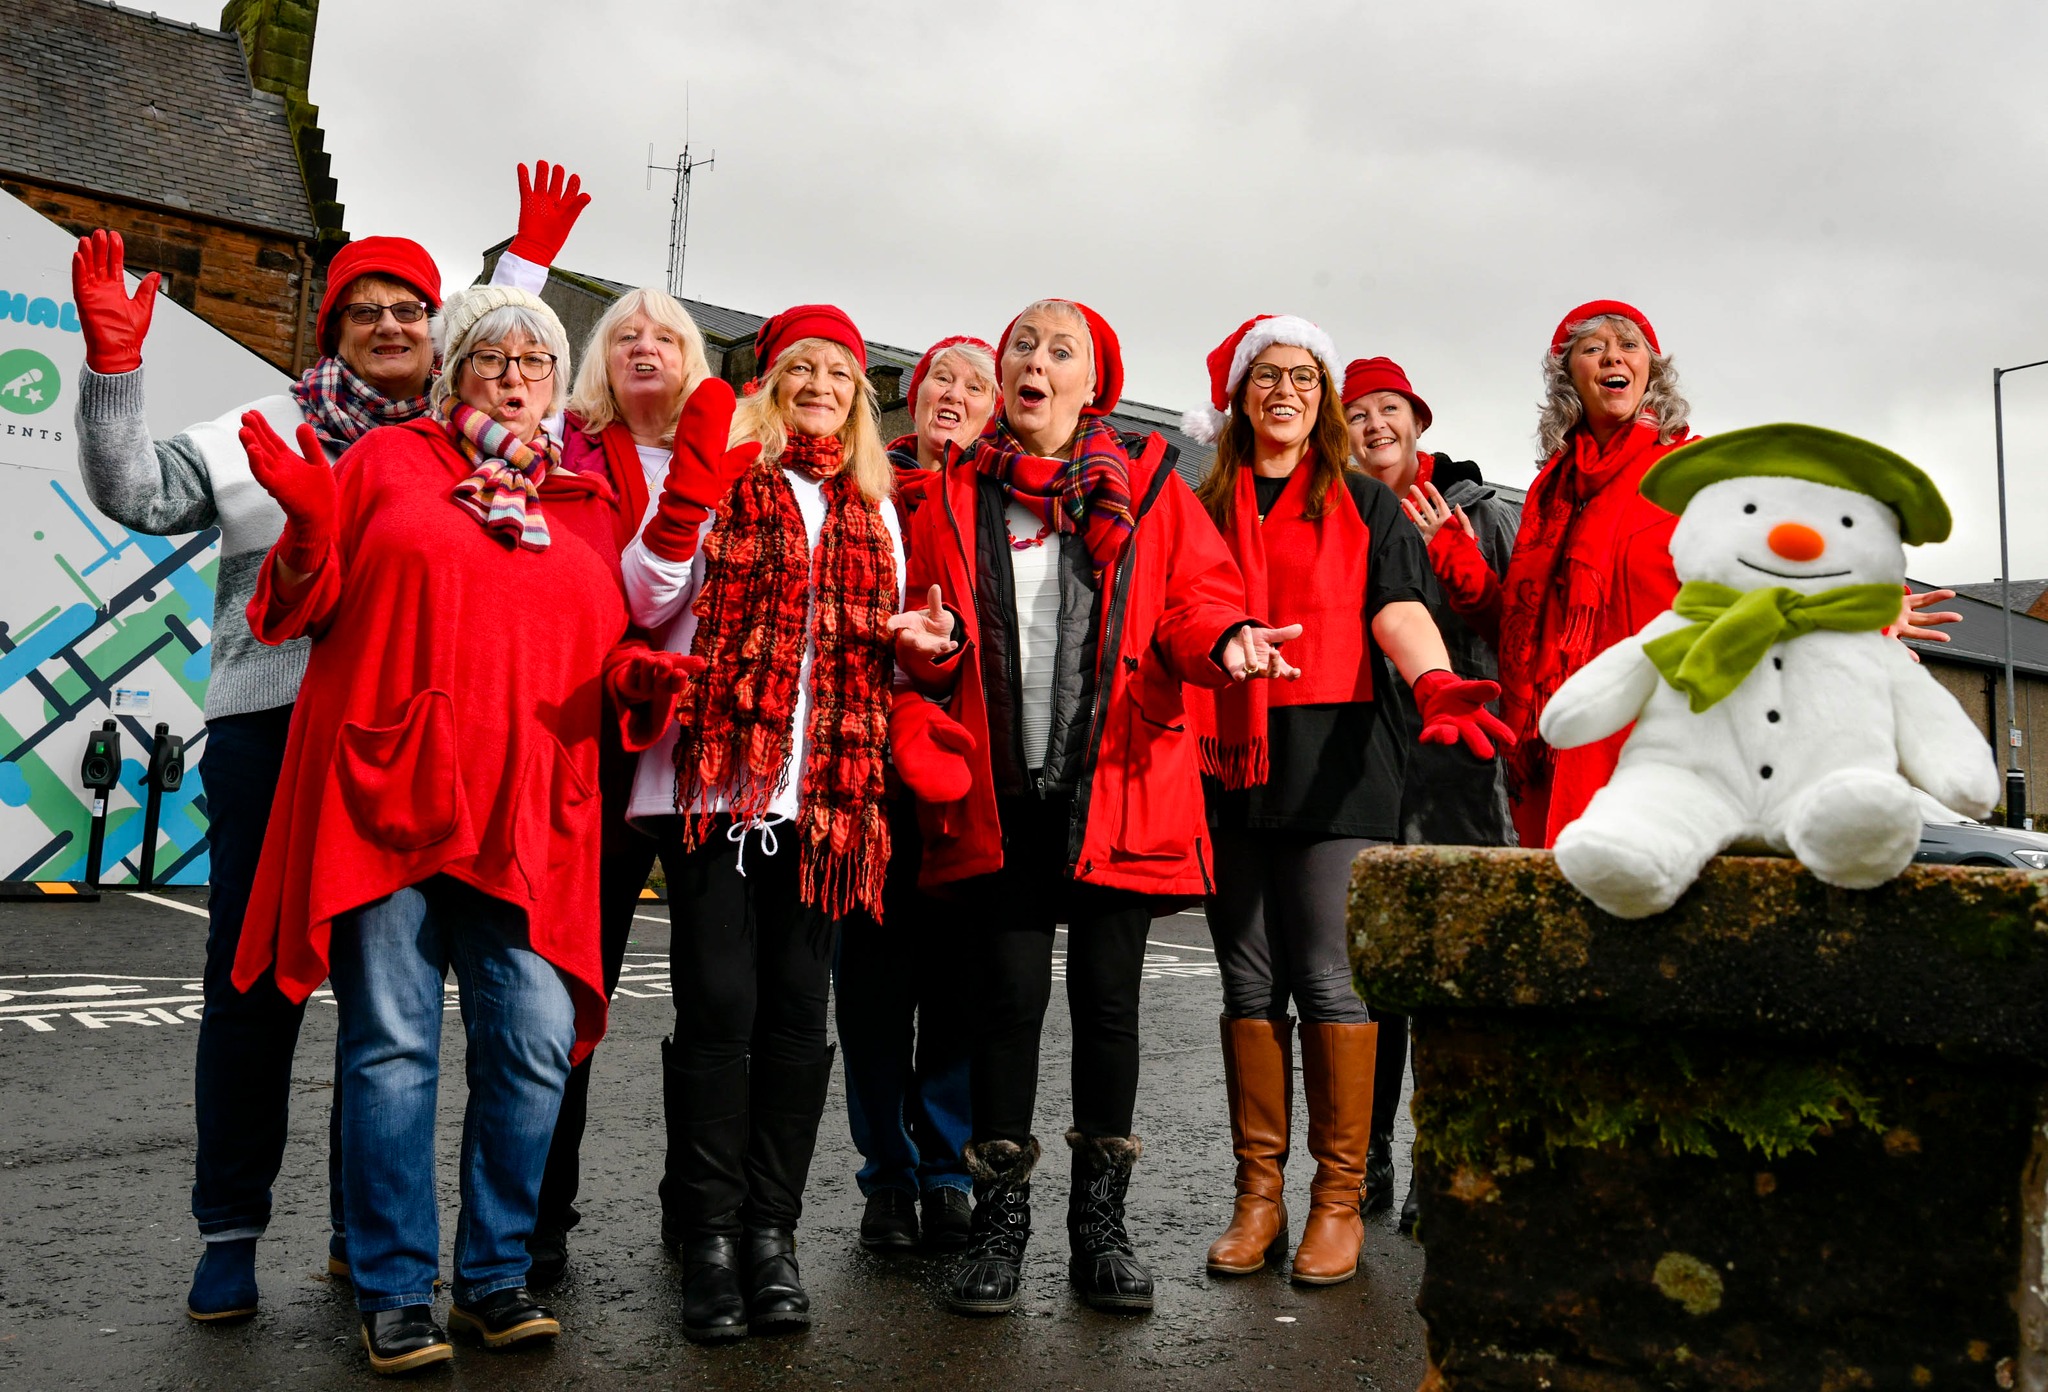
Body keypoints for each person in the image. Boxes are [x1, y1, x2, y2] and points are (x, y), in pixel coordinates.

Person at [66, 160, 588, 1322]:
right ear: (331, 331)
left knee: (384, 1001)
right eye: (366, 311)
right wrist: (112, 371)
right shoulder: (263, 428)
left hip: (405, 746)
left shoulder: (470, 451)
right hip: (275, 728)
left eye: (411, 310)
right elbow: (135, 492)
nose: (392, 326)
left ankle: (366, 1237)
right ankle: (230, 1228)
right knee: (253, 985)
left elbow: (507, 357)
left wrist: (525, 271)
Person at [230, 283, 645, 1374]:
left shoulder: (587, 502)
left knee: (534, 1040)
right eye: (490, 358)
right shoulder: (386, 461)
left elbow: (607, 651)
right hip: (393, 799)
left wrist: (640, 679)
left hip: (529, 814)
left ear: (557, 384)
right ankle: (395, 1289)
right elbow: (299, 607)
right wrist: (307, 530)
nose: (514, 377)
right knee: (392, 1049)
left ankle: (495, 1276)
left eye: (535, 361)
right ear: (454, 370)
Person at [890, 298, 1293, 1317]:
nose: (1034, 360)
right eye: (1021, 344)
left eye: (1057, 348)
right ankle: (1000, 1230)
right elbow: (927, 626)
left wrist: (1228, 640)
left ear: (1091, 382)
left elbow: (1194, 603)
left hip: (1118, 785)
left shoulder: (1148, 486)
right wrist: (924, 650)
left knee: (1109, 1007)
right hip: (1002, 795)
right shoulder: (953, 492)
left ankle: (1099, 1231)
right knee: (1006, 1008)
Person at [1180, 317, 1507, 1287]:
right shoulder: (1199, 507)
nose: (1285, 390)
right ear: (1238, 399)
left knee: (1330, 982)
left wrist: (1436, 682)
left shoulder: (1365, 504)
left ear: (1320, 398)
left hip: (1344, 762)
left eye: (1303, 376)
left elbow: (1397, 609)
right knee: (1248, 986)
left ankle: (1335, 1201)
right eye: (1266, 376)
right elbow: (1179, 611)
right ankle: (1256, 1199)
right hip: (1229, 759)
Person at [619, 305, 904, 1342]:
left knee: (795, 1013)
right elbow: (647, 596)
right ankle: (706, 1237)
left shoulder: (876, 507)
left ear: (859, 395)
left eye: (839, 371)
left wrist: (927, 641)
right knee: (718, 1008)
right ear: (770, 383)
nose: (820, 384)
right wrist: (685, 498)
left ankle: (769, 1235)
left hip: (825, 800)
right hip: (714, 787)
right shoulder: (720, 474)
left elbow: (886, 643)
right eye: (801, 367)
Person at [529, 285, 717, 1287]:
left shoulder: (737, 461)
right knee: (569, 985)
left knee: (711, 992)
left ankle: (698, 1213)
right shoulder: (565, 450)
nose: (646, 346)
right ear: (599, 359)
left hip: (703, 756)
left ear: (696, 361)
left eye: (667, 335)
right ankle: (537, 1219)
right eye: (626, 334)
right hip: (591, 746)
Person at [1341, 354, 1520, 1233]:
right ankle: (1370, 1153)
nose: (1376, 425)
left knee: (1449, 972)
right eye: (1358, 413)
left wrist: (1462, 561)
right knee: (1374, 975)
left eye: (1390, 409)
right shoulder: (1336, 507)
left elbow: (1514, 625)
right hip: (1369, 763)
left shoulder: (1481, 512)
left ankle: (1436, 1158)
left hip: (1461, 768)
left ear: (1419, 422)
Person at [837, 336, 1000, 1254]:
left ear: (994, 411)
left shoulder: (1005, 503)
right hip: (867, 777)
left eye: (976, 385)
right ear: (912, 391)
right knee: (871, 990)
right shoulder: (865, 489)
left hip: (970, 777)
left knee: (958, 990)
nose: (956, 394)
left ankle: (947, 1171)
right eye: (944, 376)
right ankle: (889, 1177)